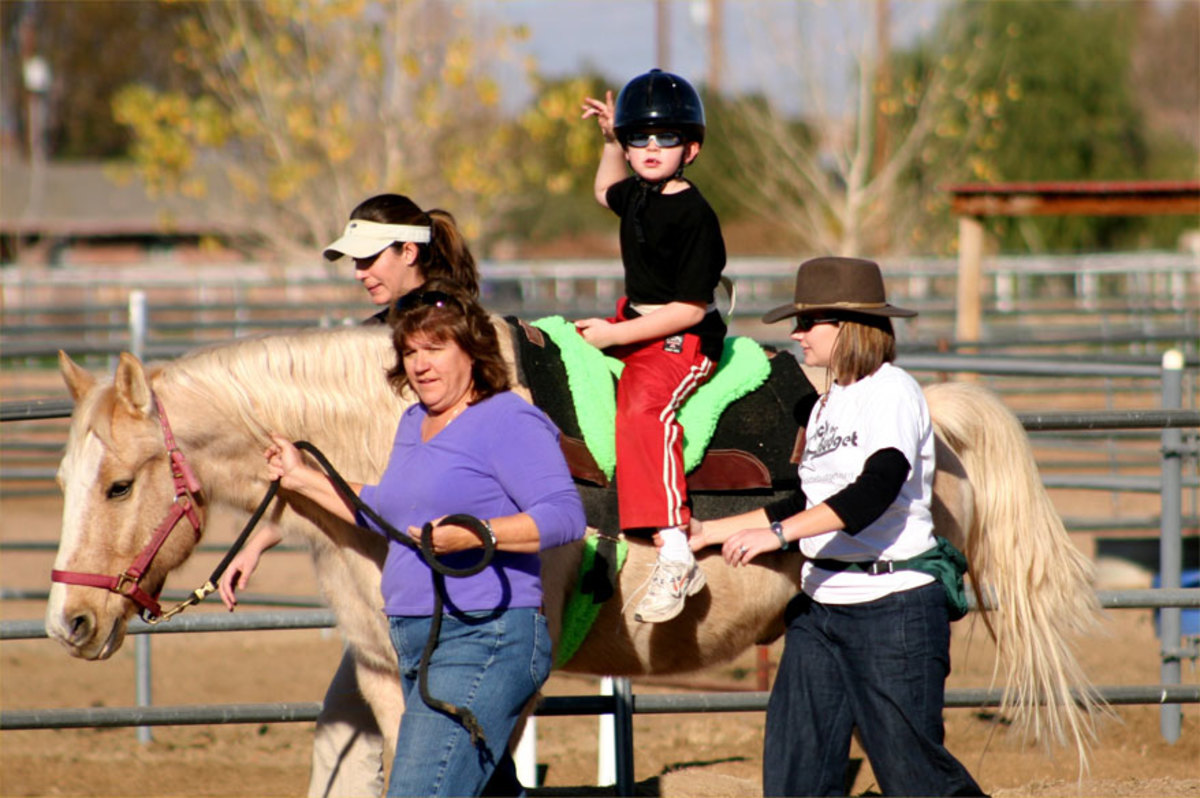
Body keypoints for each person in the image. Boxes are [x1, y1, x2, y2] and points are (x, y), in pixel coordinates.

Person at [261, 278, 586, 797]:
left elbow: (565, 517)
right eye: (410, 351)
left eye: (436, 348)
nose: (420, 364)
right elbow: (387, 512)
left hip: (483, 636)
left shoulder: (508, 418)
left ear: (474, 352)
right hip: (416, 644)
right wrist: (302, 479)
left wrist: (478, 534)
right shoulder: (414, 422)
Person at [217, 193, 483, 797]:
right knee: (344, 731)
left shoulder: (448, 334)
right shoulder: (367, 341)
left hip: (431, 579)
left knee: (417, 743)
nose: (360, 272)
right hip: (381, 586)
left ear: (409, 250)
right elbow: (320, 461)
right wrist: (256, 541)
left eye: (370, 258)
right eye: (353, 261)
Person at [689, 257, 985, 797]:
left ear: (846, 326)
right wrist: (713, 531)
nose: (797, 334)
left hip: (892, 606)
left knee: (914, 776)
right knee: (795, 774)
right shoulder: (829, 402)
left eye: (808, 322)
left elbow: (877, 488)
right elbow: (809, 499)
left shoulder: (892, 391)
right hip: (821, 605)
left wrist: (778, 537)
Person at [578, 68, 727, 623]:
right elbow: (601, 190)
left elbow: (689, 308)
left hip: (683, 337)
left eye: (665, 138)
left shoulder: (695, 216)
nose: (649, 148)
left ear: (691, 148)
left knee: (644, 409)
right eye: (638, 136)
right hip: (635, 318)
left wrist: (615, 336)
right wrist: (609, 143)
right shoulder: (639, 192)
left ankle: (676, 549)